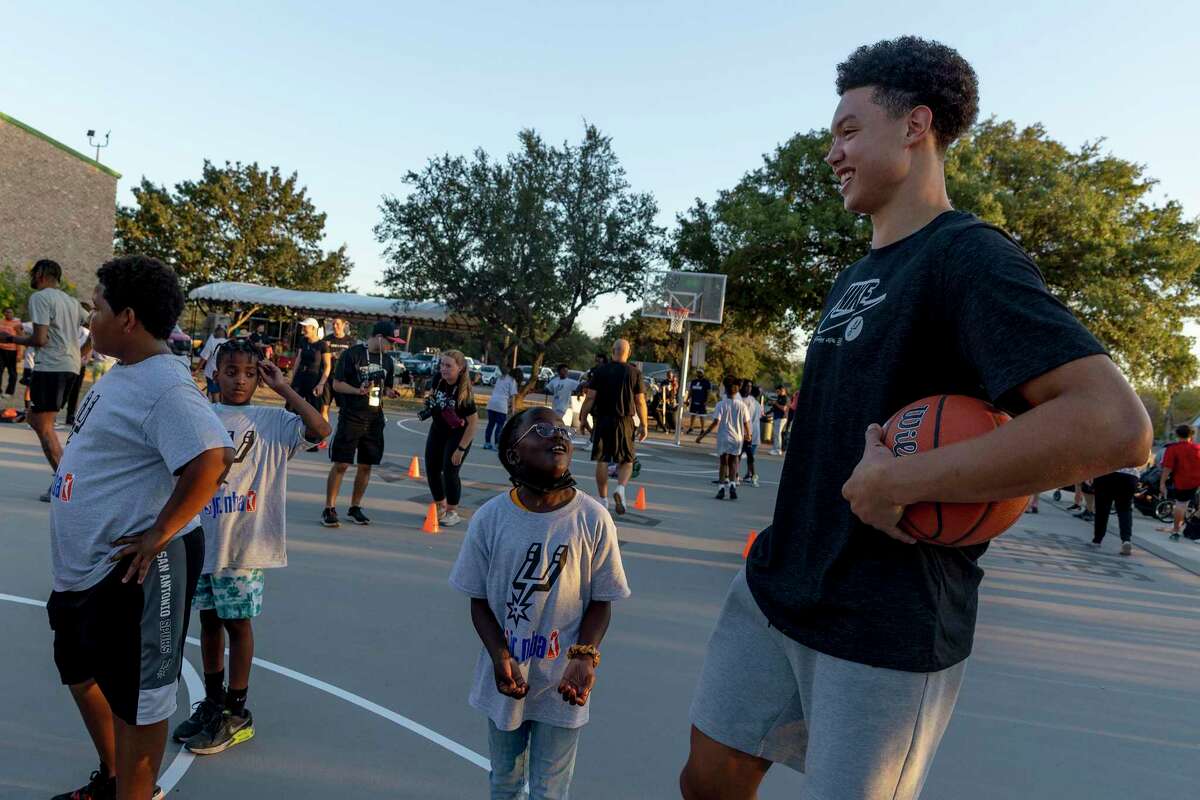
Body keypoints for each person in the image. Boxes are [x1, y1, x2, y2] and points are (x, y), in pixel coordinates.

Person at [679, 38, 1151, 800]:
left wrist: (902, 480)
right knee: (707, 781)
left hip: (888, 621)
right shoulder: (855, 275)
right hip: (779, 586)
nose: (831, 152)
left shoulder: (970, 259)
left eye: (847, 130)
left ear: (915, 127)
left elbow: (1114, 424)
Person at [46, 255, 233, 800]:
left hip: (138, 573)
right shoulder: (126, 373)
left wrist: (157, 534)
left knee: (141, 699)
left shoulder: (165, 387)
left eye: (97, 307)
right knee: (80, 670)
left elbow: (211, 460)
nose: (90, 318)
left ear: (127, 318)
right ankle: (114, 779)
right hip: (87, 571)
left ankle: (134, 790)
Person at [449, 407, 630, 800]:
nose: (558, 435)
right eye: (543, 429)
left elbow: (603, 599)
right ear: (514, 454)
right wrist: (499, 655)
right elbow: (477, 598)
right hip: (506, 675)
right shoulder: (490, 518)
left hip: (564, 681)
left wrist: (584, 655)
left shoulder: (593, 518)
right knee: (505, 782)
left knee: (550, 791)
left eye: (563, 429)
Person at [171, 339, 330, 755]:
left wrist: (286, 389)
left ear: (260, 376)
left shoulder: (272, 420)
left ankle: (237, 712)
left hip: (244, 545)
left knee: (237, 625)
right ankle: (213, 701)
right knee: (207, 622)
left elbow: (321, 429)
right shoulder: (201, 415)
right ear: (215, 374)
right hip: (203, 538)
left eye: (249, 372)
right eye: (230, 371)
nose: (240, 380)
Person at [0, 260, 86, 499]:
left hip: (51, 367)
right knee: (37, 420)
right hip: (70, 366)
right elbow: (95, 324)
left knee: (43, 425)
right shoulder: (71, 302)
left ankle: (65, 483)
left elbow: (40, 339)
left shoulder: (40, 298)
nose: (31, 277)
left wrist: (10, 339)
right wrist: (85, 351)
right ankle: (65, 477)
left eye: (32, 273)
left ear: (40, 273)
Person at [323, 320, 400, 527]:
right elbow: (337, 385)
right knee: (342, 463)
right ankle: (329, 508)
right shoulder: (352, 354)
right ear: (380, 337)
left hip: (374, 418)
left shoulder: (388, 361)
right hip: (351, 416)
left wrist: (389, 392)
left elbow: (385, 387)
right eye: (391, 342)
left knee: (366, 465)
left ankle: (355, 507)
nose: (393, 346)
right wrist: (357, 391)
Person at [577, 339, 648, 515]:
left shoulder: (600, 371)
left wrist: (583, 417)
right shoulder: (634, 373)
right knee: (627, 460)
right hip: (624, 421)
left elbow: (590, 397)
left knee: (602, 459)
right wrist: (644, 424)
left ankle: (603, 500)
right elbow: (640, 401)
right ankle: (621, 489)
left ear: (612, 351)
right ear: (628, 353)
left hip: (603, 420)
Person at [424, 349, 480, 527]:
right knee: (432, 468)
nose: (444, 369)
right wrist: (429, 403)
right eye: (442, 365)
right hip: (438, 429)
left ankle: (452, 511)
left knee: (450, 470)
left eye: (449, 366)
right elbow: (433, 398)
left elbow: (473, 423)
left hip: (458, 434)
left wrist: (461, 449)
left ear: (461, 368)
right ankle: (440, 505)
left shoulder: (464, 394)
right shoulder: (438, 380)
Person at [697, 379, 752, 500]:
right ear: (737, 390)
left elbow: (715, 422)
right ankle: (732, 485)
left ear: (725, 391)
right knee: (734, 462)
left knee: (723, 463)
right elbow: (746, 422)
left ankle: (721, 488)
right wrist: (749, 434)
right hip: (737, 438)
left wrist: (702, 435)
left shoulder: (721, 404)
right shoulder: (742, 405)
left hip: (724, 437)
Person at [288, 318, 330, 449]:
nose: (303, 329)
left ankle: (313, 442)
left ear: (313, 328)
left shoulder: (322, 345)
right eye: (303, 327)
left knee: (313, 410)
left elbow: (328, 366)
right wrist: (292, 379)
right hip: (300, 377)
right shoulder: (303, 341)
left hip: (314, 379)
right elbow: (298, 360)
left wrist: (321, 384)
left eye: (305, 327)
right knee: (290, 407)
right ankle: (288, 438)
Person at [1158, 424, 1200, 541]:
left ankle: (1176, 531)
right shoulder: (1198, 448)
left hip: (1183, 481)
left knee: (1181, 505)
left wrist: (1162, 483)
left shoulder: (1173, 449)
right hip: (1197, 481)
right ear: (1192, 435)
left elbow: (1167, 468)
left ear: (1177, 435)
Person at [1090, 466, 1141, 555]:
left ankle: (1097, 540)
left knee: (1102, 509)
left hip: (1106, 473)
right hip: (1129, 476)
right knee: (1125, 510)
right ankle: (1126, 540)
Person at [322, 317, 357, 423]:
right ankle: (322, 437)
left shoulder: (351, 341)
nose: (334, 326)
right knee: (324, 408)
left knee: (343, 410)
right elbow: (322, 358)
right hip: (328, 378)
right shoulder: (326, 339)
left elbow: (353, 360)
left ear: (343, 325)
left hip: (343, 379)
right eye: (333, 324)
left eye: (337, 324)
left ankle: (341, 434)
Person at [63, 319, 94, 428]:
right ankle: (70, 416)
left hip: (67, 363)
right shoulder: (86, 332)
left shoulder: (69, 330)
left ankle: (58, 413)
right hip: (78, 365)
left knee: (64, 389)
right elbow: (89, 350)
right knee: (74, 391)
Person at [484, 367, 521, 451]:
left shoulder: (501, 377)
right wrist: (513, 409)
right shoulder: (512, 381)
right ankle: (497, 444)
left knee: (490, 424)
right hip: (501, 405)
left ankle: (487, 443)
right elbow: (513, 397)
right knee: (499, 426)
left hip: (492, 403)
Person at [197, 325, 229, 402]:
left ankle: (214, 410)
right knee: (221, 392)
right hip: (225, 373)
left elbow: (204, 357)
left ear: (215, 333)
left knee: (214, 393)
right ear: (225, 334)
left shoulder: (211, 341)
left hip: (211, 373)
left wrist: (197, 369)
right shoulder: (228, 343)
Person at [741, 382, 763, 487]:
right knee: (750, 456)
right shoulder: (758, 404)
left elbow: (746, 419)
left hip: (747, 433)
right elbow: (760, 417)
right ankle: (750, 475)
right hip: (755, 433)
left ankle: (751, 475)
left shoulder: (748, 402)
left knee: (739, 455)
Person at [0, 307, 21, 396]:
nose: (9, 314)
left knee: (12, 373)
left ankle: (9, 392)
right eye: (7, 312)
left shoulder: (17, 324)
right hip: (0, 350)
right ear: (4, 313)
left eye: (11, 312)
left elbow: (20, 339)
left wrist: (19, 354)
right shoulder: (0, 322)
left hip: (12, 351)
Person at [684, 369, 712, 434]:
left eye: (700, 373)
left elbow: (708, 392)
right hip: (694, 400)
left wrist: (707, 400)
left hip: (702, 401)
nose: (699, 374)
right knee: (693, 414)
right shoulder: (694, 381)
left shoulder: (706, 382)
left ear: (703, 374)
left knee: (701, 415)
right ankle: (691, 427)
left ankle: (702, 429)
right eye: (698, 373)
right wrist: (687, 399)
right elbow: (690, 391)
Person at [769, 385, 789, 455]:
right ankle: (775, 449)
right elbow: (775, 408)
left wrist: (775, 403)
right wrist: (767, 413)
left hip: (781, 418)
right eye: (776, 391)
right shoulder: (779, 397)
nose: (777, 393)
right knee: (775, 433)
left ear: (782, 390)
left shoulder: (785, 398)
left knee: (777, 434)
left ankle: (778, 450)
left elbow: (784, 408)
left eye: (778, 391)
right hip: (777, 417)